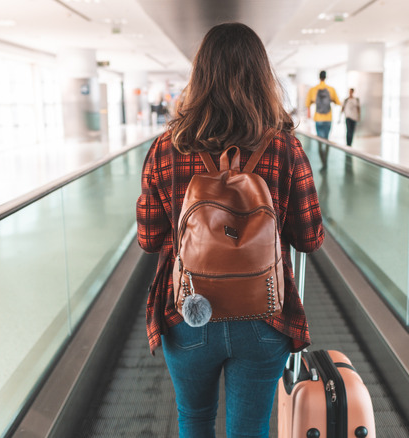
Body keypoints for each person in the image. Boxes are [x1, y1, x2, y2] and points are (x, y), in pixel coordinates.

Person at [136, 22, 324, 438]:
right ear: (262, 76)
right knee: (250, 427)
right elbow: (310, 238)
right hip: (265, 312)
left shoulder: (166, 148)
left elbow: (148, 239)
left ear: (199, 76)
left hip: (188, 310)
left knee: (195, 419)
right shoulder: (284, 147)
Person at [305, 71, 341, 140]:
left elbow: (307, 103)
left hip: (318, 118)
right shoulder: (331, 89)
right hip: (328, 118)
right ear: (325, 77)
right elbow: (338, 102)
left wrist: (308, 114)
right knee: (326, 139)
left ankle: (320, 150)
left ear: (319, 77)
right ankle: (325, 150)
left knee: (319, 139)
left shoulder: (313, 89)